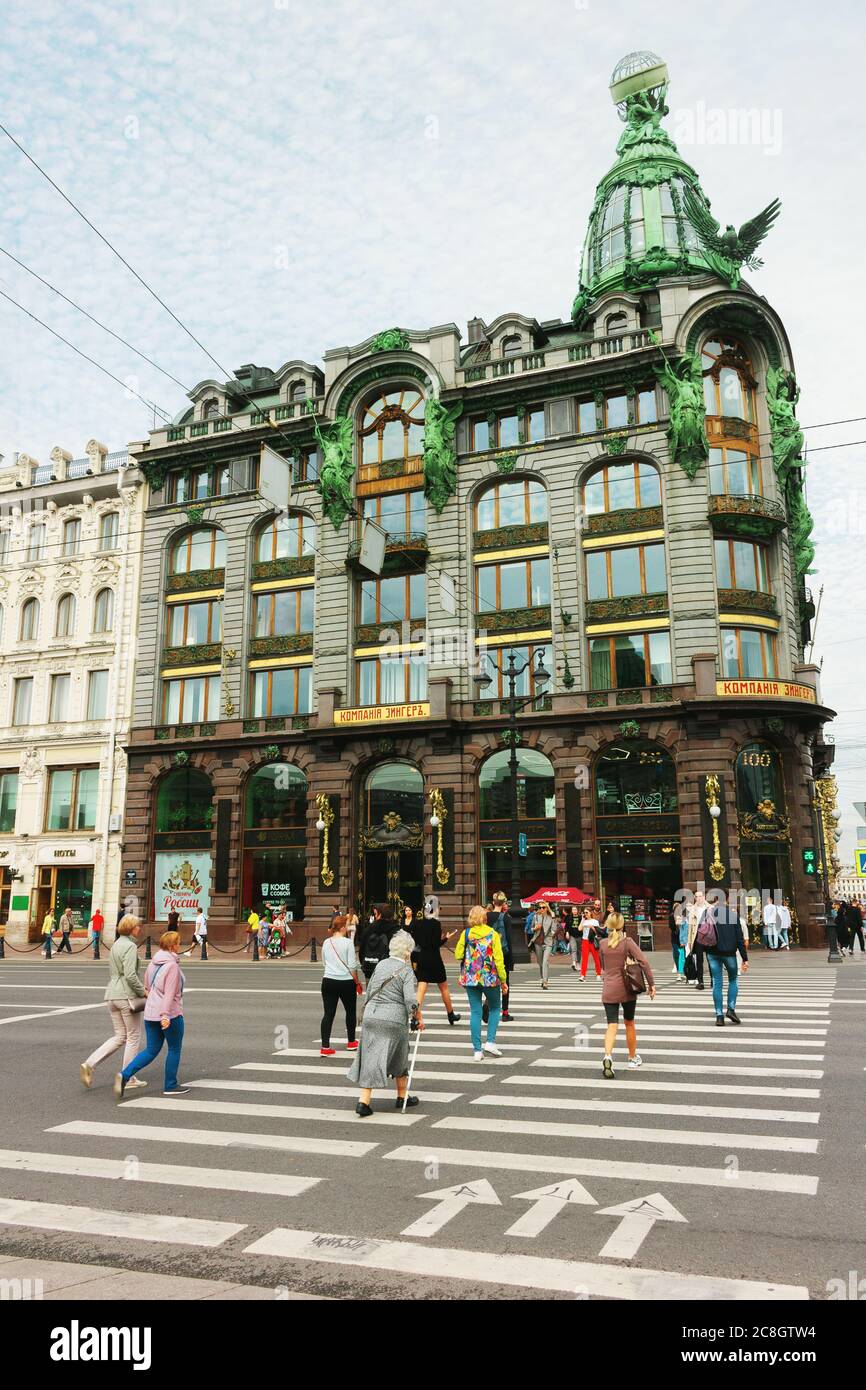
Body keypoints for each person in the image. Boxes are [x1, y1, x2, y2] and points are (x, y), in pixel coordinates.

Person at [348, 928, 422, 1116]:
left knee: (371, 1058)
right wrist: (417, 1018)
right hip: (393, 1019)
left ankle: (363, 1102)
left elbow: (371, 988)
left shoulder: (381, 965)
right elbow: (409, 1000)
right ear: (407, 952)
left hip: (371, 1016)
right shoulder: (406, 970)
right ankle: (401, 1097)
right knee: (400, 1056)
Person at [114, 930, 189, 1099]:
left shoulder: (153, 963)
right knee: (174, 1049)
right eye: (178, 942)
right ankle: (170, 1085)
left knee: (151, 1050)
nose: (180, 945)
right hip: (169, 1014)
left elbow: (147, 987)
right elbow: (170, 994)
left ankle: (125, 1075)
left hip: (150, 1013)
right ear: (172, 946)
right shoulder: (172, 967)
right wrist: (165, 1015)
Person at [80, 915, 147, 1090]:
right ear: (132, 928)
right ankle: (128, 1077)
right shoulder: (131, 946)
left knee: (119, 1036)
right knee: (133, 1037)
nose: (140, 929)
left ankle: (89, 1064)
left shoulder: (116, 944)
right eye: (138, 926)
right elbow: (131, 975)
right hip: (126, 996)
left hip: (112, 995)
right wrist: (143, 991)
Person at [597, 918, 655, 1077]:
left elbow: (603, 966)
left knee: (611, 1025)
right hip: (626, 989)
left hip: (609, 989)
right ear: (622, 925)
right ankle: (632, 1058)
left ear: (607, 926)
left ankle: (607, 1056)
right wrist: (651, 984)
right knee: (629, 1023)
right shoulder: (627, 942)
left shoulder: (602, 943)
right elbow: (643, 962)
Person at [454, 905, 507, 1060]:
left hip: (470, 978)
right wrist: (503, 980)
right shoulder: (493, 934)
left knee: (475, 1012)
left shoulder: (466, 934)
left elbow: (458, 955)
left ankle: (477, 1050)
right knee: (495, 1008)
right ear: (485, 917)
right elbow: (499, 959)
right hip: (490, 978)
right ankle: (490, 1041)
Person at [410, 896, 461, 1025]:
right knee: (443, 987)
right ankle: (450, 1014)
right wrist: (446, 939)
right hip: (434, 958)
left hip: (422, 957)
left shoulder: (418, 923)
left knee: (421, 987)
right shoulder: (436, 924)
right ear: (435, 908)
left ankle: (415, 1017)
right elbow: (435, 944)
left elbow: (417, 941)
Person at [320, 914, 363, 1056]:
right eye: (348, 925)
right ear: (343, 927)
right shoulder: (348, 943)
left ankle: (325, 1047)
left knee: (328, 1014)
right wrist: (357, 981)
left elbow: (324, 962)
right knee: (350, 1011)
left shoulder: (326, 942)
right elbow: (352, 966)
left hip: (328, 981)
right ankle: (351, 1042)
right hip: (346, 982)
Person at [707, 897, 750, 1025]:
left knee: (717, 982)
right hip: (729, 953)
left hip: (712, 953)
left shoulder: (707, 914)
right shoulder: (732, 915)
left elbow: (701, 933)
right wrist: (744, 958)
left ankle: (719, 1016)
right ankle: (731, 1009)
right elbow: (739, 938)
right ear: (726, 900)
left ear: (714, 901)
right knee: (733, 979)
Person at [484, 892, 515, 1021]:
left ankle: (486, 1003)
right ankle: (505, 1013)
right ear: (503, 904)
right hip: (503, 954)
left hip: (488, 954)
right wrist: (511, 959)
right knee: (504, 983)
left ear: (493, 902)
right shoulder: (506, 918)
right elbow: (508, 939)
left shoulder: (486, 916)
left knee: (491, 981)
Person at [358, 905, 393, 982]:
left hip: (369, 967)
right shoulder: (394, 929)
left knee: (371, 991)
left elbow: (362, 949)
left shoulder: (368, 929)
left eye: (375, 914)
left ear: (380, 914)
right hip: (387, 969)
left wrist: (364, 962)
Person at [530, 900, 558, 989]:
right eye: (540, 907)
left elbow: (554, 929)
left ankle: (545, 982)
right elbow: (530, 929)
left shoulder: (550, 917)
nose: (541, 909)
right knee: (541, 963)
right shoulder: (536, 916)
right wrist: (535, 928)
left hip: (548, 941)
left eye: (543, 907)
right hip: (538, 941)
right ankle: (543, 978)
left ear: (547, 908)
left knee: (545, 961)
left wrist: (553, 918)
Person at [686, 889, 709, 990]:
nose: (699, 898)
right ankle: (701, 982)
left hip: (709, 937)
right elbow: (690, 927)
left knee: (711, 959)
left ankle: (714, 981)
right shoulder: (693, 910)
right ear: (695, 898)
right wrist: (690, 941)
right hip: (698, 937)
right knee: (699, 960)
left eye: (701, 896)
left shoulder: (710, 908)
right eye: (697, 896)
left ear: (704, 897)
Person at [578, 904, 602, 981]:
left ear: (590, 913)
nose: (585, 914)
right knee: (584, 959)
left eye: (586, 912)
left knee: (596, 958)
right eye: (584, 913)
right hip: (585, 941)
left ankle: (598, 974)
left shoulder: (595, 921)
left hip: (592, 941)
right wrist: (582, 919)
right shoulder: (583, 921)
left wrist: (593, 928)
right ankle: (582, 975)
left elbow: (598, 932)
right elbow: (579, 929)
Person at [567, 906, 582, 972]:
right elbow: (567, 926)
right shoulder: (569, 917)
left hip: (579, 935)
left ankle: (578, 963)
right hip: (572, 935)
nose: (574, 911)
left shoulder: (580, 917)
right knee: (573, 949)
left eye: (575, 909)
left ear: (577, 910)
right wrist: (567, 932)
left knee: (578, 950)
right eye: (573, 909)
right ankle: (574, 963)